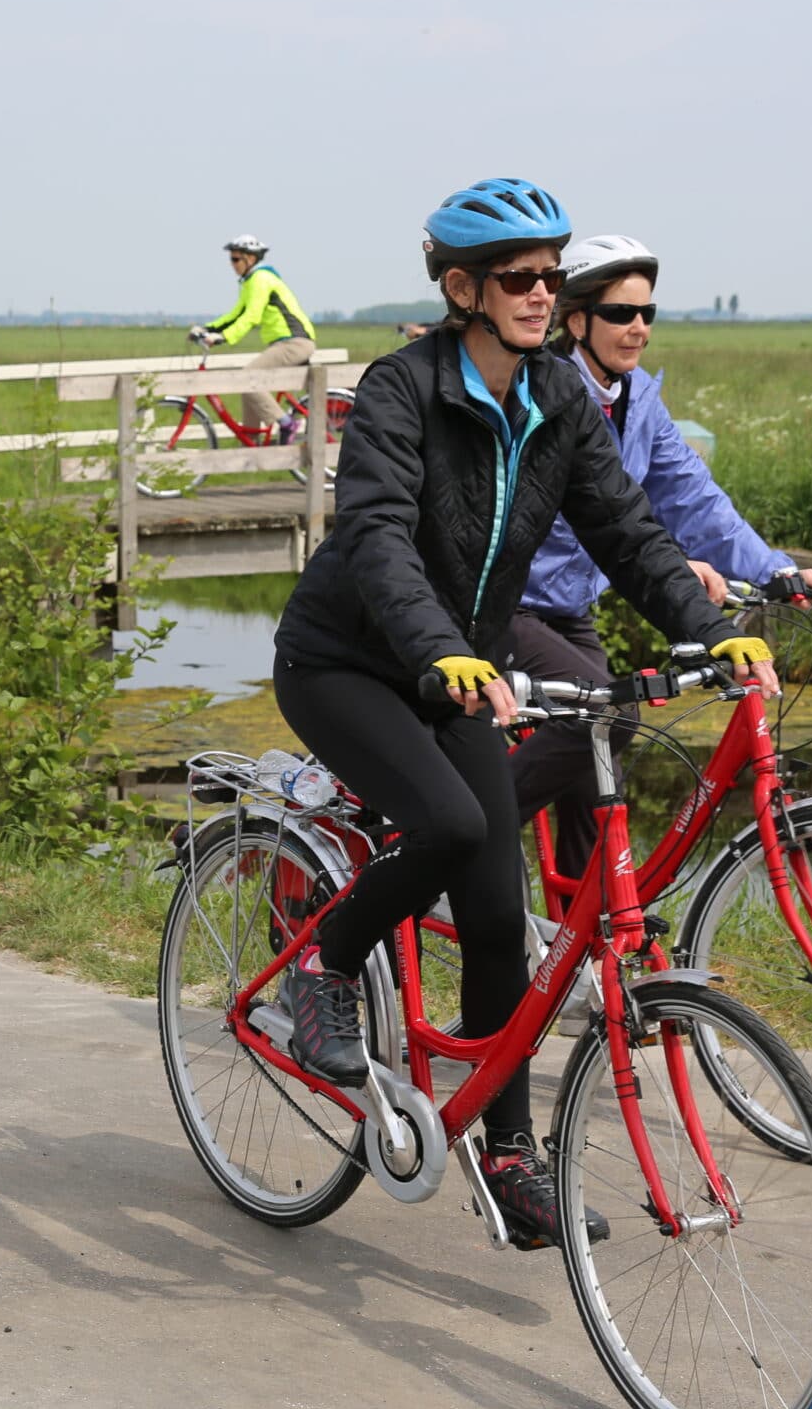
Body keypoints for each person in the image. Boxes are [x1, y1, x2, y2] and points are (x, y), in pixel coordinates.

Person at [269, 178, 772, 1250]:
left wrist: (703, 624)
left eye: (551, 276)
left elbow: (627, 530)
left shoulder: (556, 399)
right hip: (349, 660)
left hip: (460, 668)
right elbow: (377, 538)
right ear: (462, 289)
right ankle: (325, 962)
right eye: (519, 279)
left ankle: (507, 1157)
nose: (544, 294)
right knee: (449, 829)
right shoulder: (401, 389)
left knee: (499, 914)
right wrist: (443, 647)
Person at [510, 235, 812, 878]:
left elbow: (694, 499)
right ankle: (464, 835)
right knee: (607, 718)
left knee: (600, 747)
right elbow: (559, 511)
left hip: (568, 608)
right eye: (620, 315)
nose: (638, 329)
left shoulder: (638, 403)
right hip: (506, 604)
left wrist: (775, 568)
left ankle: (576, 929)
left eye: (646, 315)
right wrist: (673, 568)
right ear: (575, 321)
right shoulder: (540, 395)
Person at [188, 234, 315, 437]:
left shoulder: (261, 279)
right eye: (231, 259)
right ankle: (252, 442)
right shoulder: (250, 282)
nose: (232, 264)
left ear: (251, 259)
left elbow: (251, 316)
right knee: (247, 386)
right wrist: (207, 329)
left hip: (294, 342)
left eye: (236, 259)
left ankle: (285, 423)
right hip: (284, 343)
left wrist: (223, 338)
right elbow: (236, 314)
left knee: (247, 376)